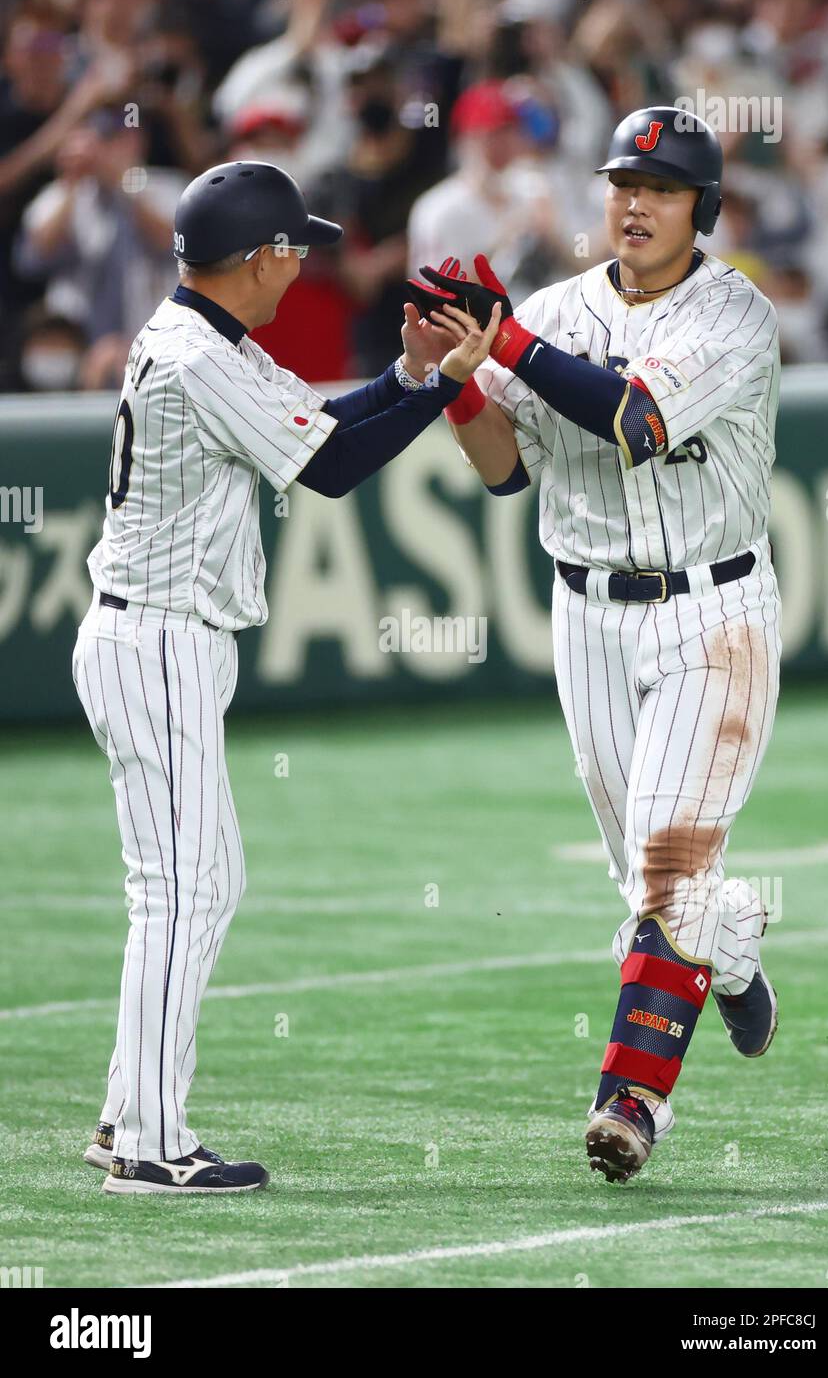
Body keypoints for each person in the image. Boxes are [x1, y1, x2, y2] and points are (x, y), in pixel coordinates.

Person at [73, 160, 497, 1195]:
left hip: (162, 640)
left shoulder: (201, 333)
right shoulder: (197, 354)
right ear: (257, 256)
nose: (298, 263)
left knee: (193, 885)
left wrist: (403, 381)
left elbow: (324, 429)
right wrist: (443, 386)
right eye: (289, 248)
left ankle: (131, 1114)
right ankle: (146, 1143)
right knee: (183, 890)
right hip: (156, 640)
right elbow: (332, 471)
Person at [411, 107, 781, 1184]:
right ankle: (734, 939)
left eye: (661, 189)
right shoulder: (550, 306)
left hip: (710, 615)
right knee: (652, 889)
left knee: (667, 878)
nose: (634, 201)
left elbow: (633, 421)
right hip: (585, 617)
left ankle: (629, 1100)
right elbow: (501, 468)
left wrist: (509, 342)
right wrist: (455, 374)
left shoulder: (732, 315)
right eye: (623, 181)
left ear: (699, 210)